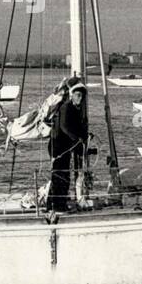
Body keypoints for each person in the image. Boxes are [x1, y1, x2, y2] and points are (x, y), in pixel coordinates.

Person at [47, 82, 88, 212]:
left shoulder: (77, 110)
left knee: (64, 176)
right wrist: (76, 139)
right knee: (59, 176)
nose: (80, 99)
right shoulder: (66, 107)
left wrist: (85, 135)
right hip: (58, 145)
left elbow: (77, 127)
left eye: (82, 96)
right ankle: (54, 205)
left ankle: (61, 203)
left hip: (66, 146)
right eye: (78, 95)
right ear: (72, 95)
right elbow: (65, 126)